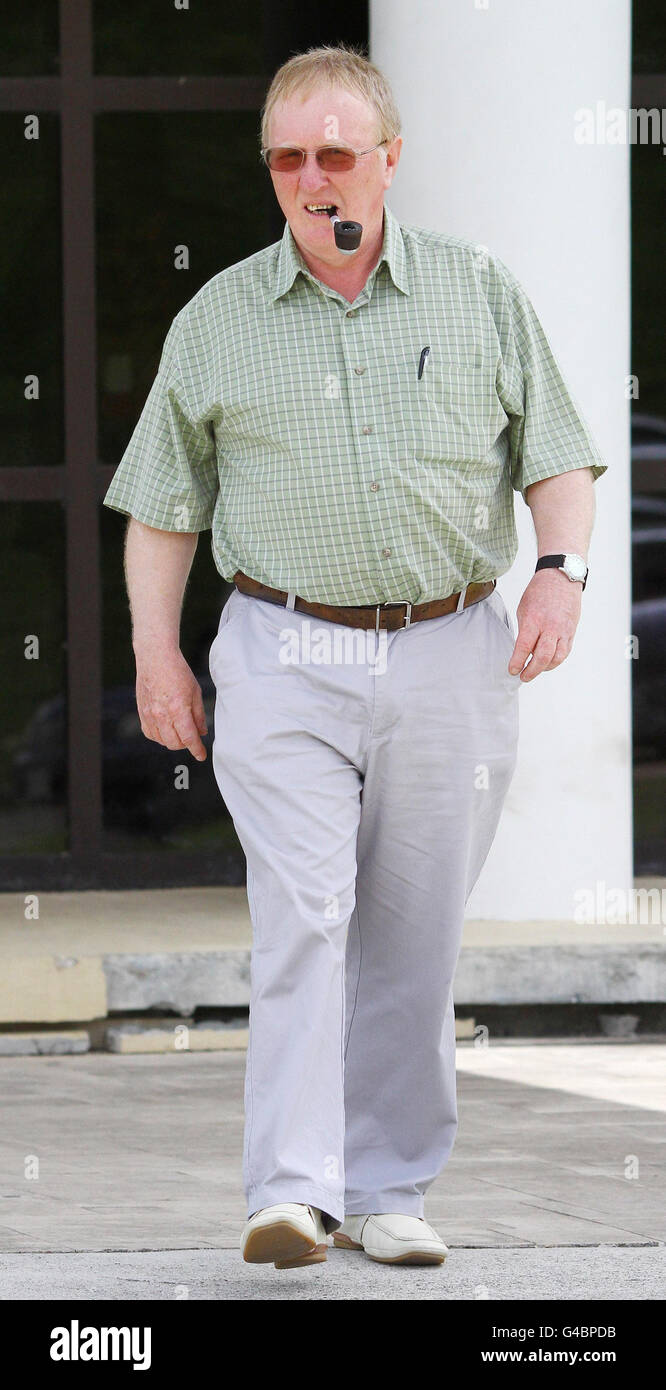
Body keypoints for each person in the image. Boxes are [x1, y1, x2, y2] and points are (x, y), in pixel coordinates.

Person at [103, 43, 607, 1271]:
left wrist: (560, 574)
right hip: (280, 649)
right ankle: (289, 1187)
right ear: (269, 167)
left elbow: (558, 454)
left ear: (390, 159)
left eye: (337, 153)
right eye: (288, 157)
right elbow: (164, 505)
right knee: (304, 913)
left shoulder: (479, 292)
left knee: (414, 927)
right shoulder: (217, 317)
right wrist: (154, 654)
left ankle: (387, 1189)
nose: (313, 178)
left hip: (450, 648)